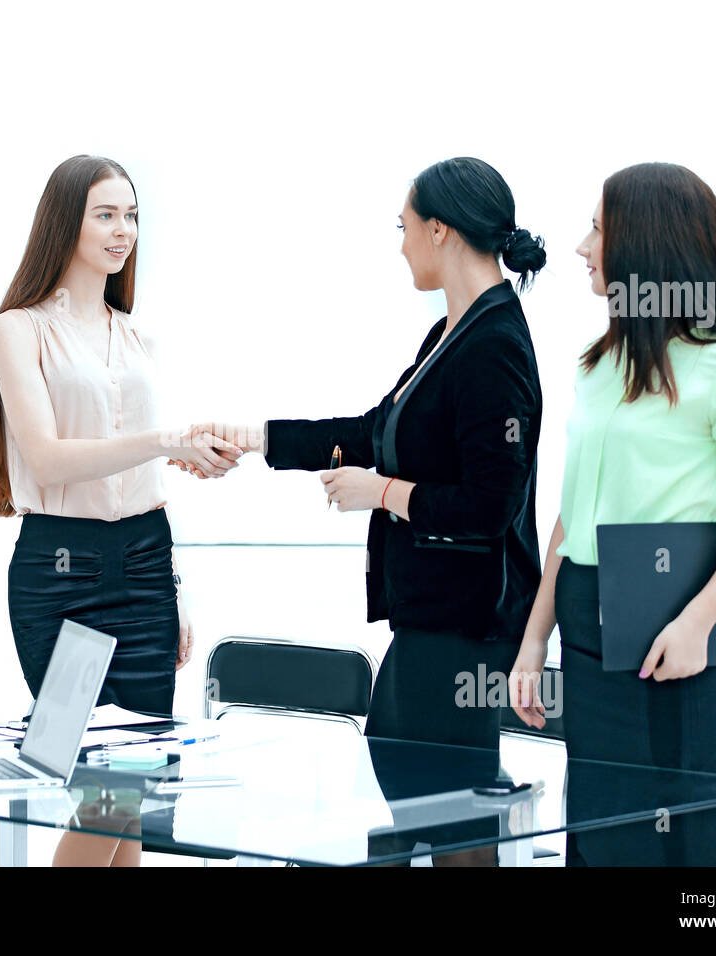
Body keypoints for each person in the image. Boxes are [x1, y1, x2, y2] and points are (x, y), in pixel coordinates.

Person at [185, 157, 546, 865]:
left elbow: (489, 507)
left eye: (405, 226)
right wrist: (255, 440)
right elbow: (378, 430)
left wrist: (379, 494)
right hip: (433, 626)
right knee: (413, 809)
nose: (401, 242)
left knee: (447, 821)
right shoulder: (455, 334)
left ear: (440, 230)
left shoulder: (494, 346)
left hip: (467, 631)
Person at [509, 162, 716, 866]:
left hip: (681, 622)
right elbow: (571, 519)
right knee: (601, 834)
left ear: (648, 244)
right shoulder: (594, 366)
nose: (580, 247)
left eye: (598, 228)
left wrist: (697, 623)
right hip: (587, 607)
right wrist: (534, 638)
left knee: (692, 837)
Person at [0, 154, 239, 866]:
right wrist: (160, 440)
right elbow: (51, 458)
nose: (123, 231)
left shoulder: (138, 336)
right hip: (59, 576)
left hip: (147, 567)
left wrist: (173, 589)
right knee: (96, 794)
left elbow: (145, 480)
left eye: (132, 215)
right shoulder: (18, 330)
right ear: (66, 221)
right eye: (106, 214)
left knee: (132, 797)